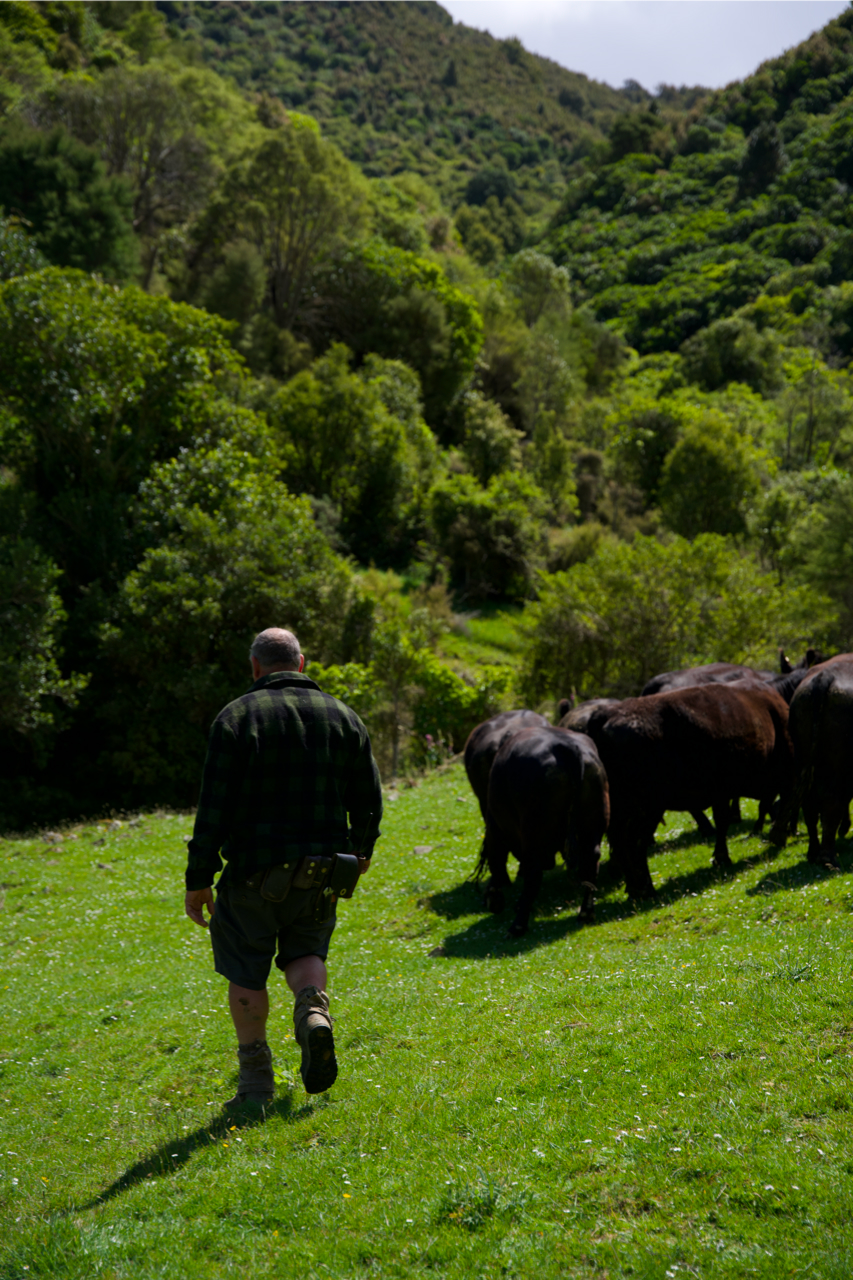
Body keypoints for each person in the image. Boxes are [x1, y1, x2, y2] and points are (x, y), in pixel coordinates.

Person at [184, 627, 382, 1108]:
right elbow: (369, 800)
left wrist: (199, 880)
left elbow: (213, 810)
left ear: (255, 667)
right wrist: (360, 854)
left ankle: (256, 1081)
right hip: (321, 874)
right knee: (306, 954)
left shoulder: (235, 718)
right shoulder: (343, 716)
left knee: (247, 975)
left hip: (253, 872)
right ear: (300, 662)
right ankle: (314, 1012)